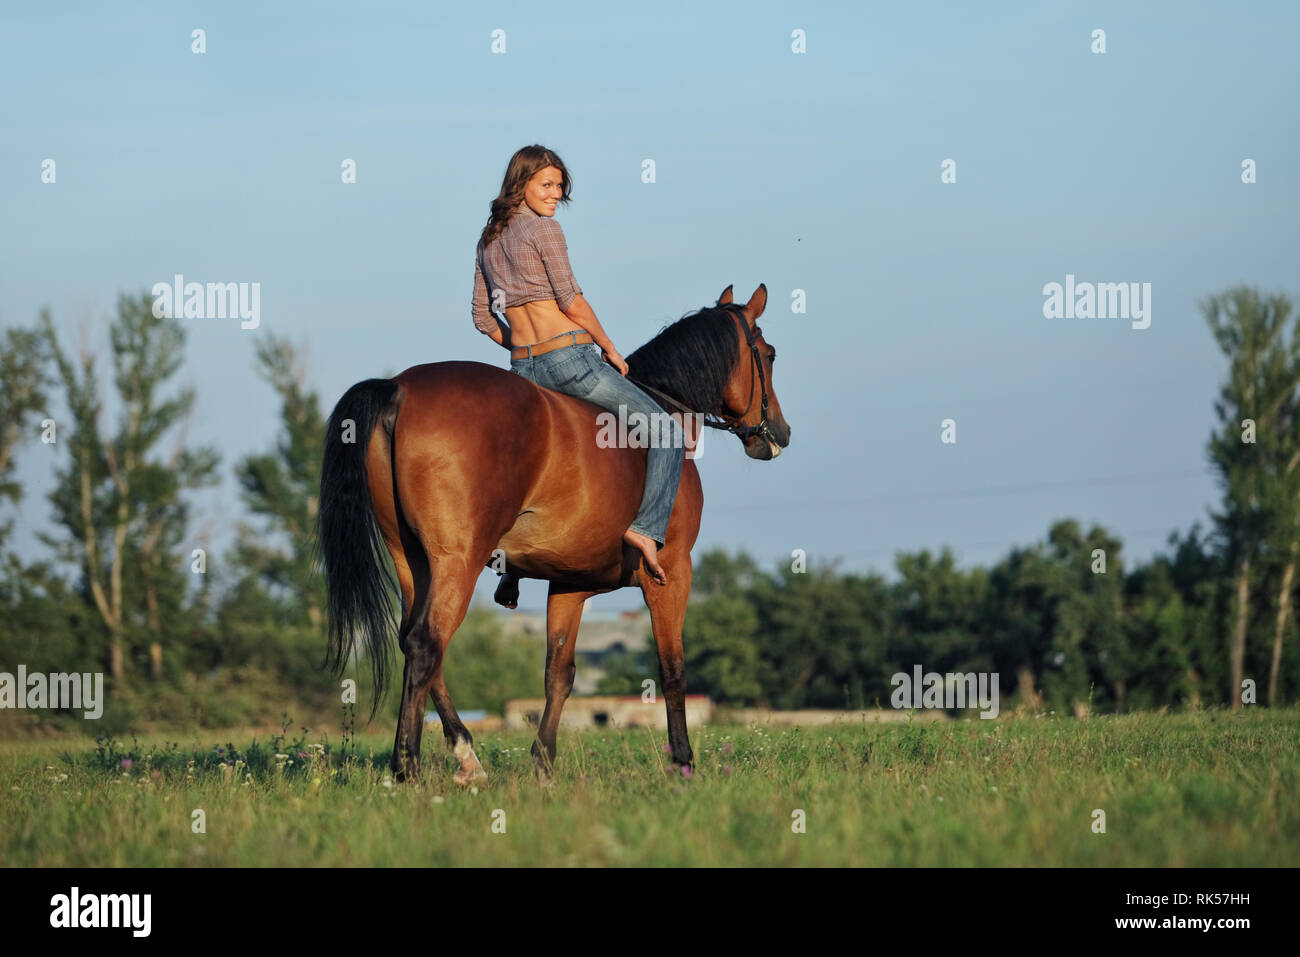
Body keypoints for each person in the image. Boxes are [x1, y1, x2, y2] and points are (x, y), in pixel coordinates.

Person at [472, 145, 683, 593]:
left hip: (523, 371)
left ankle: (508, 564)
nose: (555, 194)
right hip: (570, 364)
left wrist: (524, 346)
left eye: (559, 187)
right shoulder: (545, 231)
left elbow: (483, 318)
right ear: (520, 183)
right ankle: (645, 529)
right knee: (667, 432)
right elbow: (571, 300)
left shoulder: (488, 239)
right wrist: (610, 348)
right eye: (546, 185)